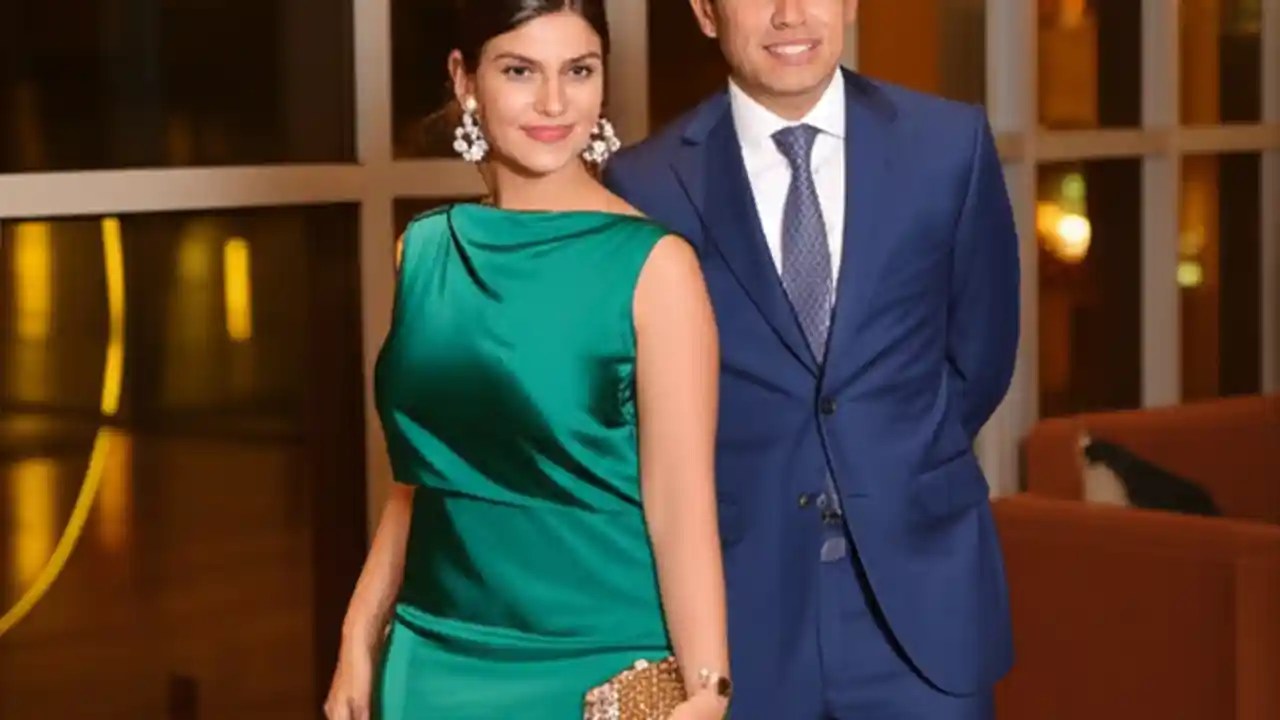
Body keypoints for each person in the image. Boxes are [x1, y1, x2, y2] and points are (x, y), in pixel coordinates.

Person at [603, 0, 1020, 718]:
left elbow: (980, 353)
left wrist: (892, 459)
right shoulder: (642, 186)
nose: (790, 14)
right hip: (743, 613)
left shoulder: (949, 146)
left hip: (923, 609)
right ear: (706, 12)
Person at [324, 2, 731, 718]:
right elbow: (426, 475)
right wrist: (359, 633)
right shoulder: (425, 250)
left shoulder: (655, 267)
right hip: (432, 659)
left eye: (579, 70)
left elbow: (681, 503)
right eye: (520, 70)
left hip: (598, 667)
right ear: (466, 79)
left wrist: (708, 689)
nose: (553, 102)